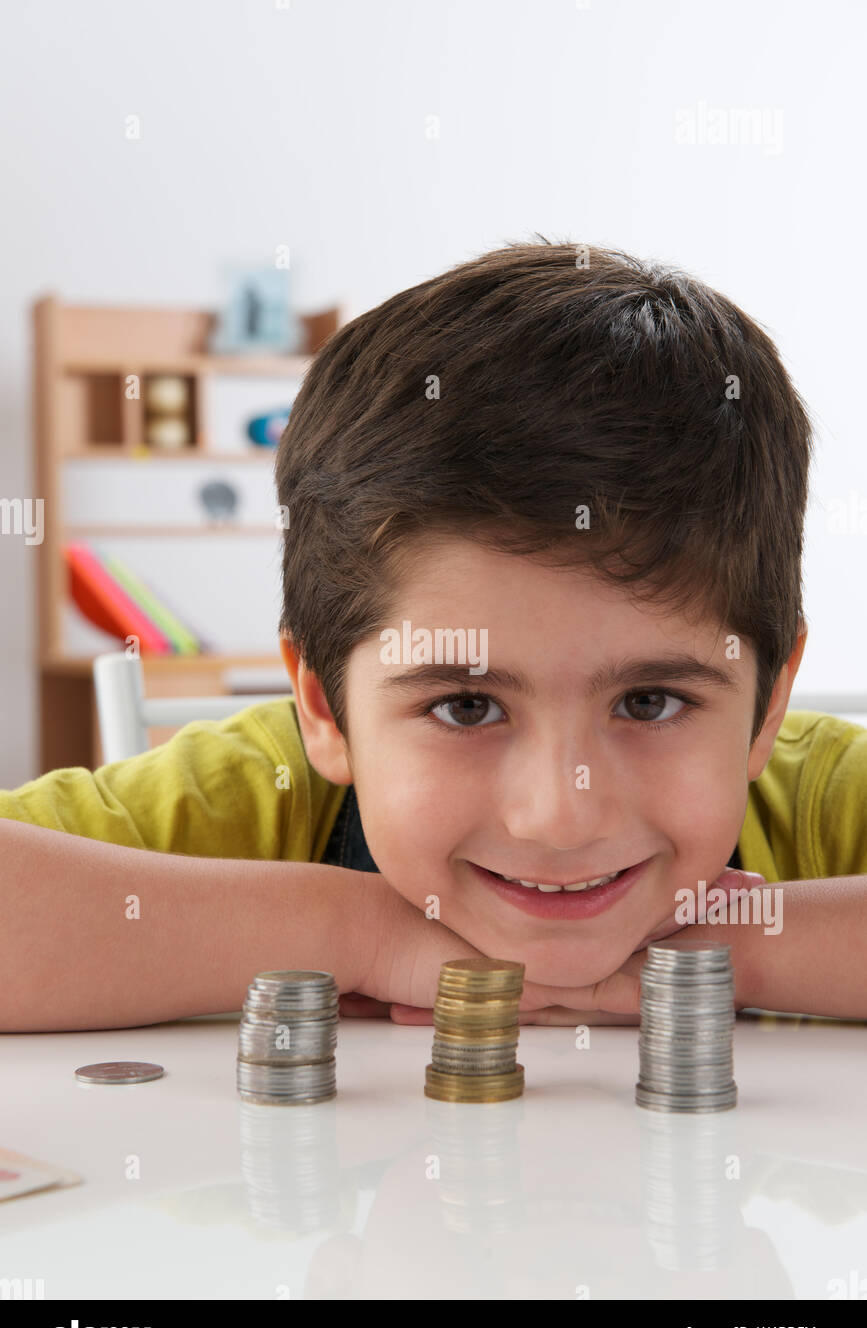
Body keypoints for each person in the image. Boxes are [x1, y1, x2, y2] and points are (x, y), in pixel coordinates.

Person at [3, 239, 866, 1033]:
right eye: (464, 706)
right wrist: (357, 933)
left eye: (649, 701)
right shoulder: (256, 798)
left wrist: (745, 950)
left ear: (767, 705)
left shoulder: (825, 805)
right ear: (322, 707)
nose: (558, 818)